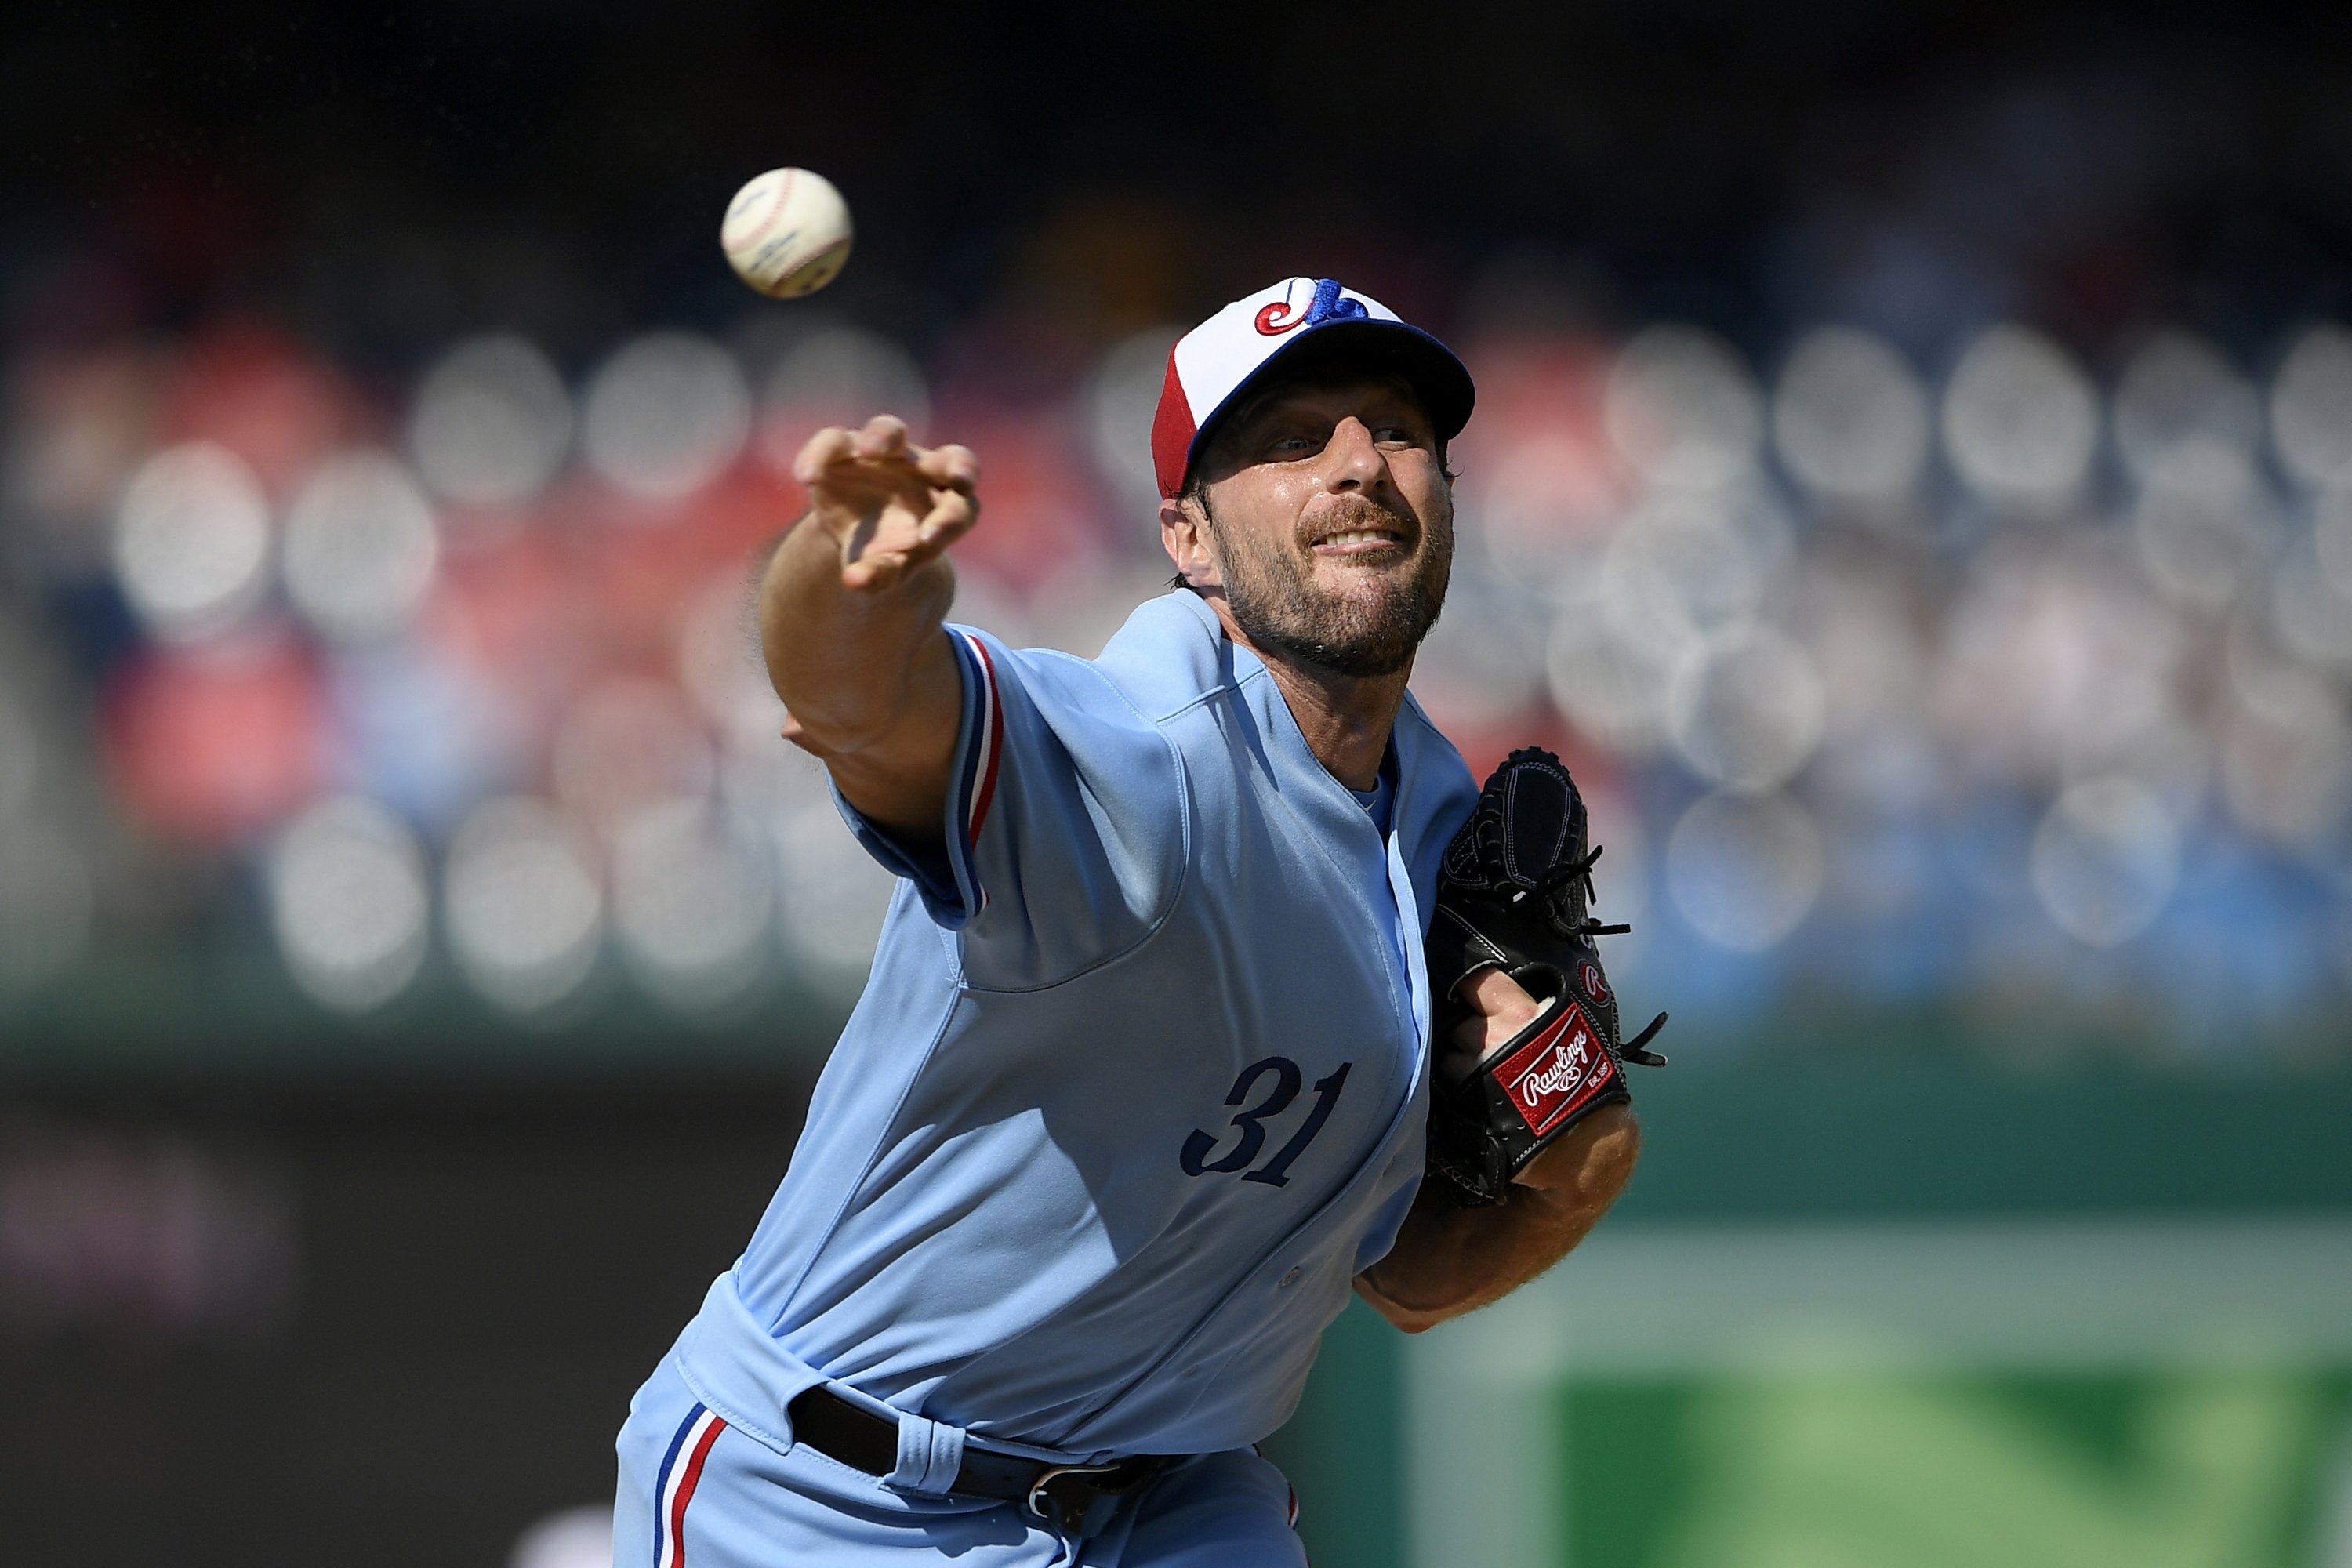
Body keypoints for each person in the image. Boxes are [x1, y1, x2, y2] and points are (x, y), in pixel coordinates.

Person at [613, 277, 1640, 1568]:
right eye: (1288, 439)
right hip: (841, 1499)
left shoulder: (1435, 827)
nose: (1358, 465)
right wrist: (846, 582)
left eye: (1396, 430)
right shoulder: (1138, 765)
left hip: (1172, 1508)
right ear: (1188, 538)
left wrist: (1575, 1150)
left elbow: (1421, 1280)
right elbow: (866, 711)